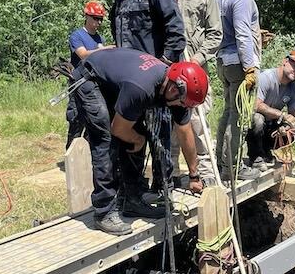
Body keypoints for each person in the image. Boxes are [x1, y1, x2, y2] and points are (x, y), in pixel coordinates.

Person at [71, 48, 208, 235]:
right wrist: (138, 139)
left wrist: (194, 175)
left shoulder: (180, 92)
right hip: (89, 79)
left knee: (136, 134)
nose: (181, 108)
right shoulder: (142, 87)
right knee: (106, 139)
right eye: (182, 104)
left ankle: (132, 200)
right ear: (174, 89)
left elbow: (185, 133)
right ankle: (104, 211)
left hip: (116, 80)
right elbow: (118, 128)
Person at [105, 0, 187, 197]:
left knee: (159, 138)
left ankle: (164, 189)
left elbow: (176, 31)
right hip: (129, 85)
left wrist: (163, 70)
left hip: (155, 82)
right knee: (131, 137)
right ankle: (134, 192)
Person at [168, 0, 222, 184]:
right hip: (167, 68)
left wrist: (197, 61)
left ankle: (207, 175)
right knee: (168, 125)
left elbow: (215, 34)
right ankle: (168, 175)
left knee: (197, 123)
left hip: (195, 70)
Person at [215, 0, 267, 181]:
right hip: (239, 63)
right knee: (239, 117)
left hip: (223, 61)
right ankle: (232, 168)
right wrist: (249, 68)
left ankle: (221, 162)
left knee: (227, 112)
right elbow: (242, 33)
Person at [247, 51, 295, 169]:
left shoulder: (294, 87)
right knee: (257, 119)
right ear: (285, 61)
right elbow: (256, 105)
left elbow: (294, 115)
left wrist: (286, 126)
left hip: (272, 124)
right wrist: (282, 115)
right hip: (254, 123)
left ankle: (265, 150)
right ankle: (255, 156)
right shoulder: (266, 77)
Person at [66, 0, 112, 149]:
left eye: (100, 19)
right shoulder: (76, 36)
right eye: (95, 18)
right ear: (86, 16)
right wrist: (105, 50)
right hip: (78, 84)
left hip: (94, 85)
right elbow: (83, 54)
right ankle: (71, 157)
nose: (97, 22)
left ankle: (88, 157)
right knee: (76, 120)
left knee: (93, 121)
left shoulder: (99, 39)